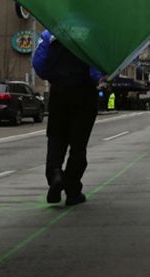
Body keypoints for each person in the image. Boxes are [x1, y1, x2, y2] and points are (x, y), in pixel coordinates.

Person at [33, 29, 106, 207]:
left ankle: (55, 173)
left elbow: (40, 66)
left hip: (58, 92)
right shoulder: (90, 34)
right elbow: (96, 70)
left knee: (56, 137)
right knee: (78, 145)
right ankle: (73, 190)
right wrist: (101, 79)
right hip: (84, 94)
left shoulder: (51, 33)